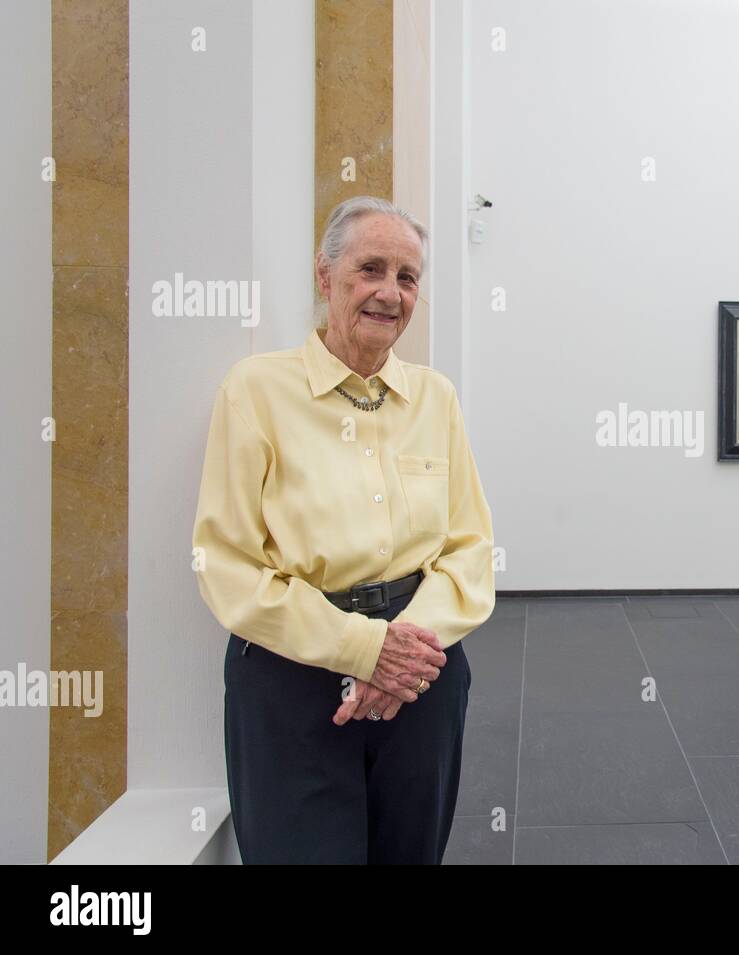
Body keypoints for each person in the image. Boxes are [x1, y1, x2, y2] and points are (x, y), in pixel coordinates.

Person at [191, 195, 495, 864]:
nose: (390, 292)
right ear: (325, 275)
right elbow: (226, 564)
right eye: (371, 269)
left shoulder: (436, 398)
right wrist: (363, 650)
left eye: (407, 277)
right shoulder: (255, 391)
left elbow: (470, 549)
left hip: (421, 670)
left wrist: (400, 657)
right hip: (290, 675)